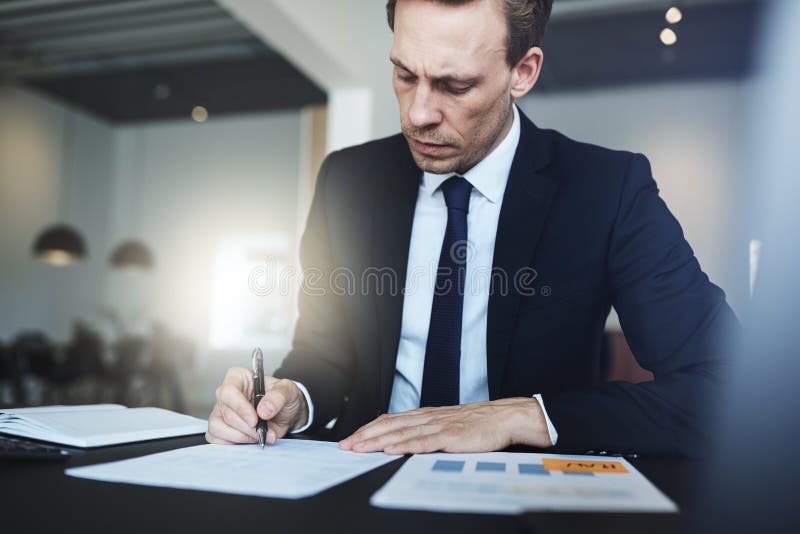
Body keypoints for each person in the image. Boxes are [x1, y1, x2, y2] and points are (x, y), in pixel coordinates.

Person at [206, 0, 739, 457]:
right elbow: (324, 352)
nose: (417, 114)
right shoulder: (347, 180)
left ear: (523, 72)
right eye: (404, 74)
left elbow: (727, 389)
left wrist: (521, 417)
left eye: (453, 85)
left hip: (528, 495)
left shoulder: (608, 190)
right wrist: (290, 399)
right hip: (358, 481)